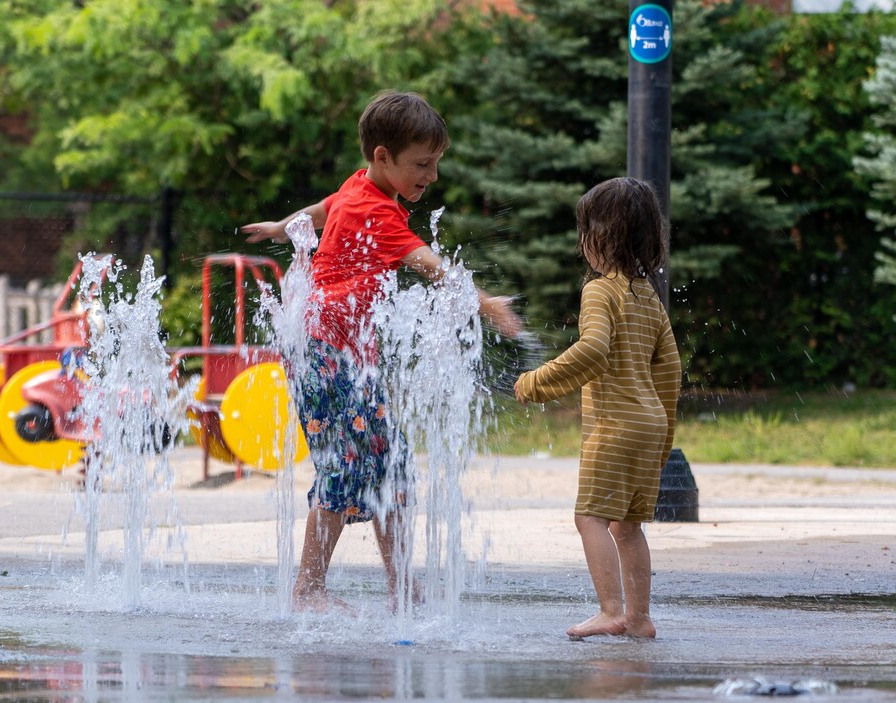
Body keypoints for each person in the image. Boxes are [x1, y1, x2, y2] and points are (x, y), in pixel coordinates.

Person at [242, 90, 523, 613]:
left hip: (344, 355)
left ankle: (403, 587)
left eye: (435, 162)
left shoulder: (361, 186)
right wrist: (487, 305)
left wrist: (284, 227)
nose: (432, 175)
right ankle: (308, 590)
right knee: (344, 466)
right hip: (324, 352)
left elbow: (322, 209)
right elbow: (432, 268)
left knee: (392, 463)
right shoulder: (377, 212)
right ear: (382, 156)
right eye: (422, 164)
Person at [513, 177, 681, 639]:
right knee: (628, 527)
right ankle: (640, 619)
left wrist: (536, 382)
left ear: (600, 238)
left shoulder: (600, 290)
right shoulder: (649, 297)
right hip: (650, 425)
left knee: (589, 518)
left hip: (616, 427)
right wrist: (664, 438)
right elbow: (670, 371)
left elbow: (593, 351)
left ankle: (611, 611)